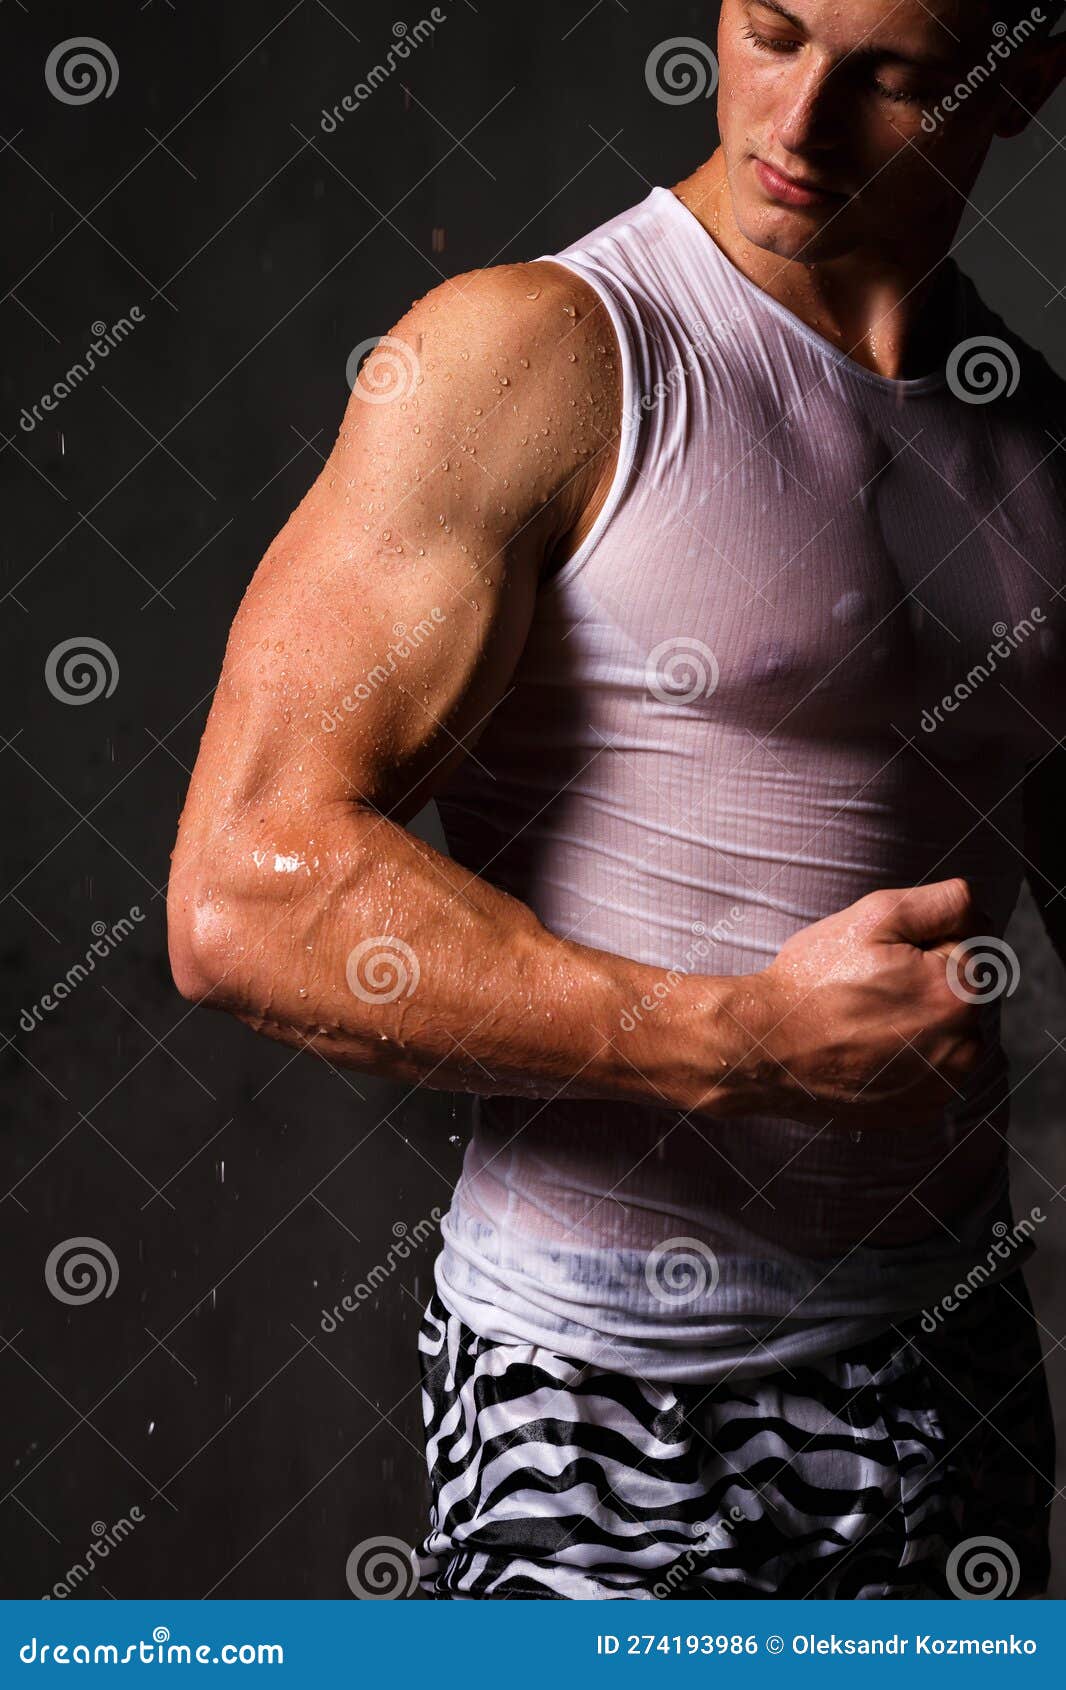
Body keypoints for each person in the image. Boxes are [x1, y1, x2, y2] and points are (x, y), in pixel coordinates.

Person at [168, 0, 1066, 1599]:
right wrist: (734, 1040)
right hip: (602, 1385)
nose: (793, 125)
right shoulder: (530, 357)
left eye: (894, 80)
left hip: (948, 1362)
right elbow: (247, 890)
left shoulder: (1036, 444)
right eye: (770, 32)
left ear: (1027, 78)